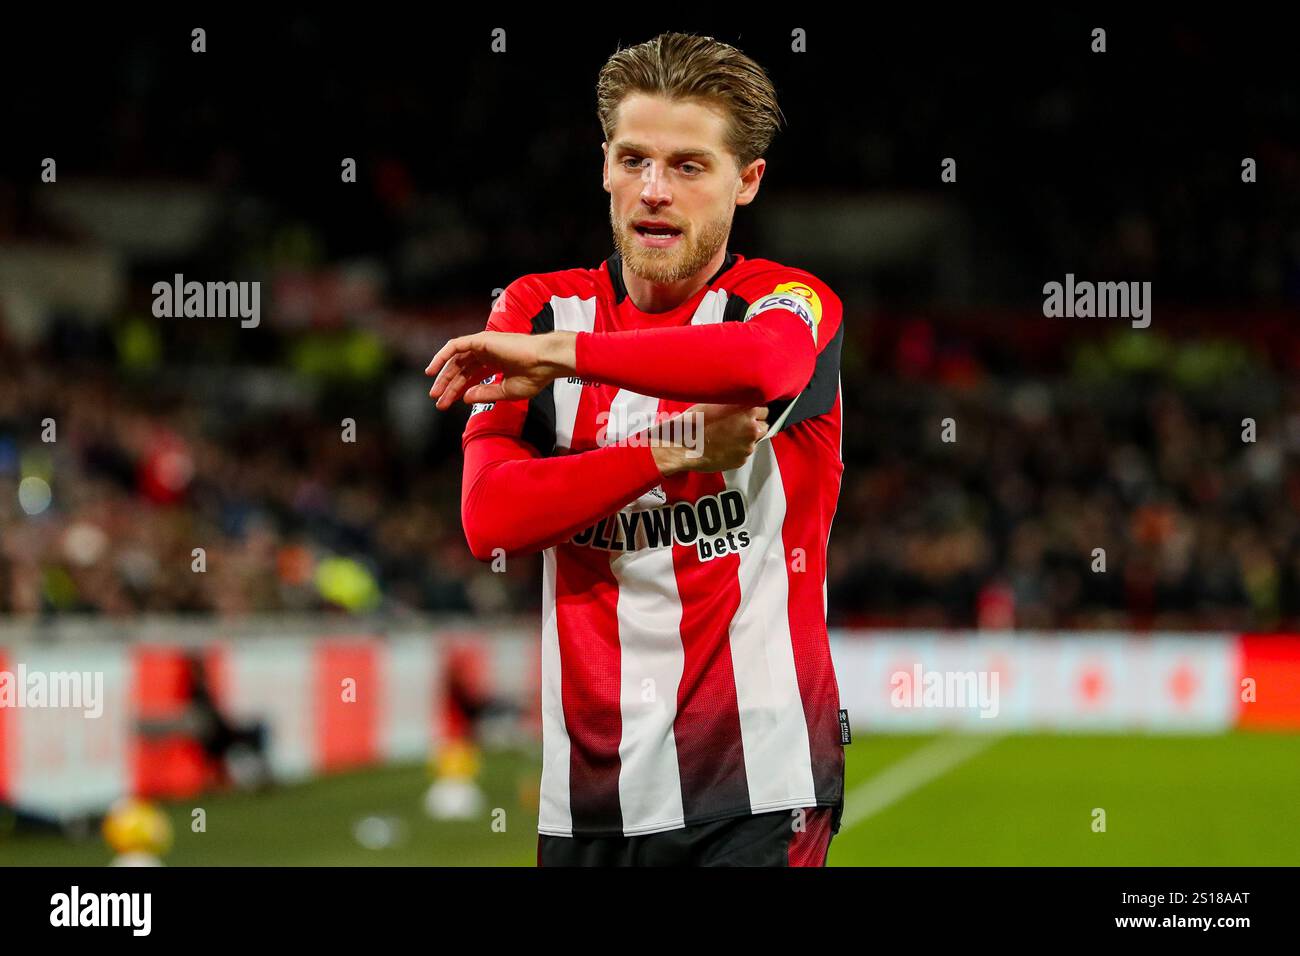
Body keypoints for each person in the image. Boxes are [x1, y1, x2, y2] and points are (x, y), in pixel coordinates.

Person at [427, 32, 846, 866]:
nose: (654, 192)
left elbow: (764, 365)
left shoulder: (785, 302)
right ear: (605, 166)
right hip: (586, 794)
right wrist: (671, 449)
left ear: (747, 180)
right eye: (634, 160)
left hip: (755, 778)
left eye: (689, 165)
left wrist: (555, 359)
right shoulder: (538, 306)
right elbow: (490, 519)